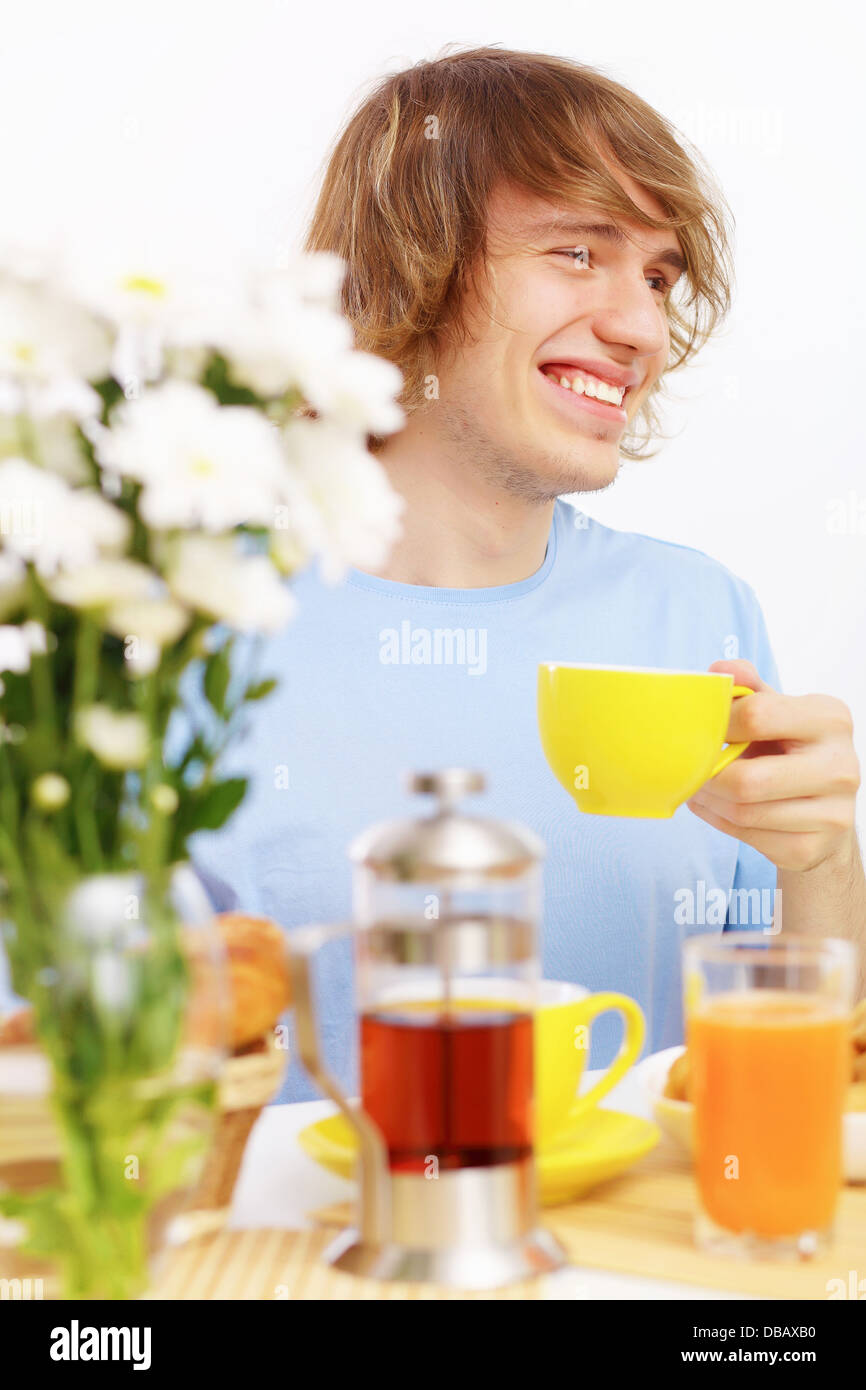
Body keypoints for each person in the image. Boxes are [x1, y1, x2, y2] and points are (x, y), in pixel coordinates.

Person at [176, 46, 865, 1102]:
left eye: (655, 275)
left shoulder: (697, 612)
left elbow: (809, 1074)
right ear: (410, 265)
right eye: (578, 252)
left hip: (655, 1265)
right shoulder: (182, 632)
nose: (640, 327)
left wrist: (819, 867)